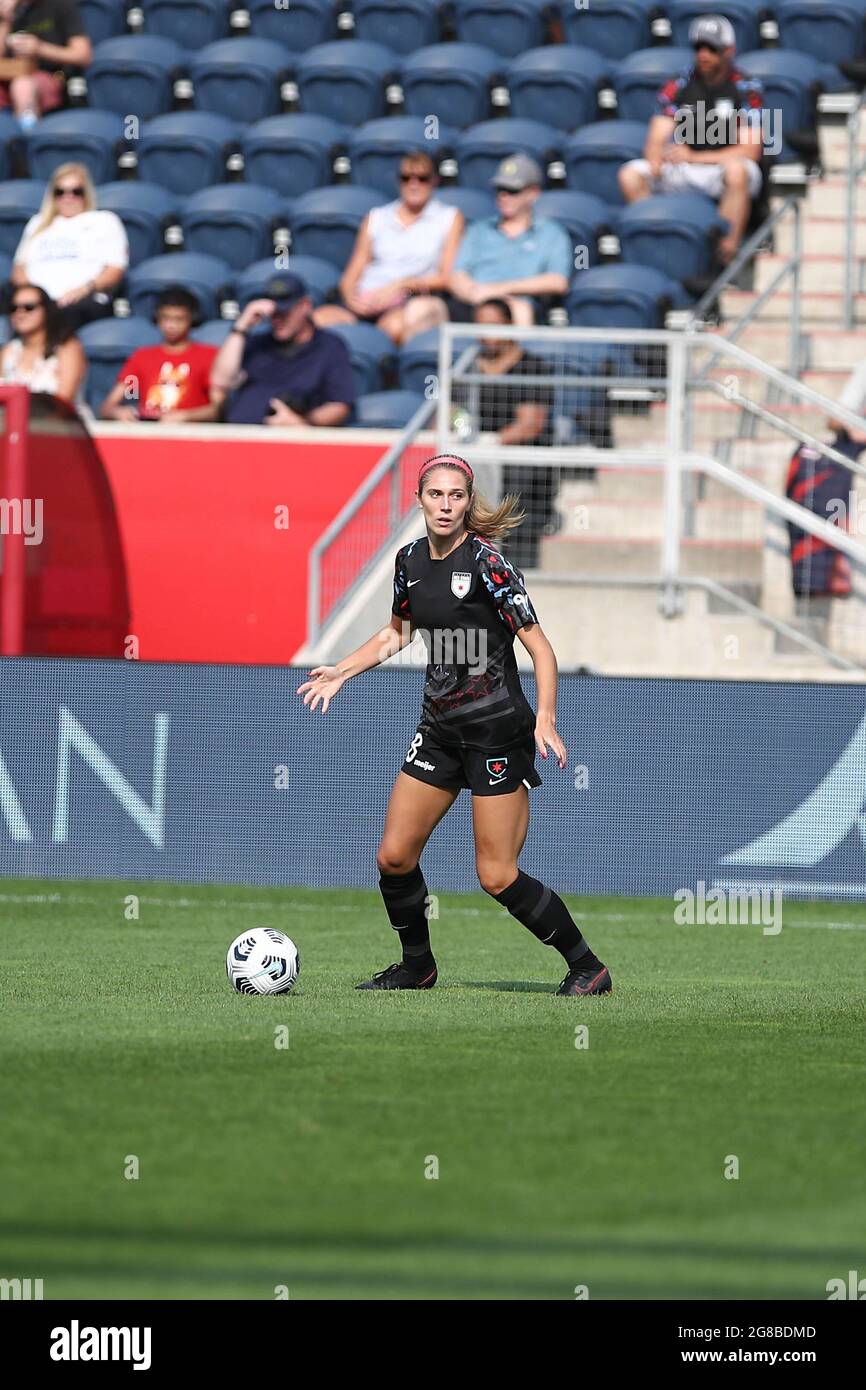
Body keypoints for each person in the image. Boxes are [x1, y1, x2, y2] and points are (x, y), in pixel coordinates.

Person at [296, 452, 612, 998]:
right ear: (419, 500)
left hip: (496, 731)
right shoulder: (408, 560)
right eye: (436, 495)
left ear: (469, 502)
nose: (446, 506)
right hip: (439, 730)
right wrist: (342, 671)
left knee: (496, 875)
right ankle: (417, 966)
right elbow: (398, 633)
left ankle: (587, 966)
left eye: (457, 496)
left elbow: (540, 648)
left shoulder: (489, 564)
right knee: (393, 856)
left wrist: (547, 719)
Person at [618, 15, 764, 265]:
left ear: (729, 51)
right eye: (698, 47)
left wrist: (697, 157)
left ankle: (723, 256)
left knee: (739, 172)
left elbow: (751, 151)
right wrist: (656, 160)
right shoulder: (680, 84)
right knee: (630, 174)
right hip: (684, 165)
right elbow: (656, 135)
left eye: (712, 49)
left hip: (720, 167)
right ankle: (657, 247)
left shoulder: (746, 87)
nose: (704, 55)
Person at [314, 150, 464, 346]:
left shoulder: (449, 217)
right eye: (406, 178)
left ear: (434, 181)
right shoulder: (377, 217)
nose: (413, 184)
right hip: (365, 299)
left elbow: (446, 278)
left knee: (391, 330)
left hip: (407, 301)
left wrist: (402, 285)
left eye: (422, 178)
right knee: (316, 321)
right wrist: (351, 298)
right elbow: (353, 270)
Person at [452, 298, 555, 568]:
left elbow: (530, 424)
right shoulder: (466, 365)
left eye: (494, 325)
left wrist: (493, 440)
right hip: (474, 456)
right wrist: (462, 433)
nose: (488, 333)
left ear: (509, 325)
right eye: (482, 326)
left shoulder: (532, 367)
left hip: (517, 463)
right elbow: (453, 412)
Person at [211, 271, 355, 427]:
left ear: (305, 306)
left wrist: (303, 424)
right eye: (274, 314)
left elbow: (339, 405)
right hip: (240, 436)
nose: (278, 320)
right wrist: (241, 327)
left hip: (294, 440)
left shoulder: (329, 346)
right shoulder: (257, 342)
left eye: (285, 313)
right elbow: (222, 381)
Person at [447, 153, 572, 326]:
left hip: (520, 310)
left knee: (519, 309)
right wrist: (474, 294)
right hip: (474, 306)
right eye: (500, 189)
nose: (503, 196)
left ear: (533, 192)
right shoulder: (478, 230)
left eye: (513, 190)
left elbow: (558, 281)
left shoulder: (551, 233)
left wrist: (499, 290)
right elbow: (457, 276)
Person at [11, 163, 128, 328]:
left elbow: (115, 270)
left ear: (85, 193)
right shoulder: (37, 223)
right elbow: (19, 269)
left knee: (64, 316)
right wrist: (34, 298)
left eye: (76, 191)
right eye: (60, 192)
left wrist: (82, 290)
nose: (68, 197)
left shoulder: (104, 221)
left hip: (83, 300)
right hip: (37, 301)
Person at [99, 286, 222, 423]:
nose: (171, 325)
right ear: (157, 318)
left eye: (179, 319)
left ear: (191, 319)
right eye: (166, 318)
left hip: (190, 434)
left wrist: (184, 417)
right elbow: (108, 406)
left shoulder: (209, 356)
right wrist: (119, 412)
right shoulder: (142, 357)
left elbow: (217, 409)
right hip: (149, 432)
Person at [0, 0, 91, 130]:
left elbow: (83, 55)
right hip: (10, 75)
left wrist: (39, 48)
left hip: (52, 76)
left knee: (23, 86)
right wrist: (5, 20)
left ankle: (25, 140)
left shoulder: (61, 4)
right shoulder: (11, 10)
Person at [0, 280, 85, 402]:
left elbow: (64, 400)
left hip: (59, 419)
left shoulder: (67, 348)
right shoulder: (8, 351)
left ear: (46, 310)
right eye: (13, 308)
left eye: (29, 307)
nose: (20, 313)